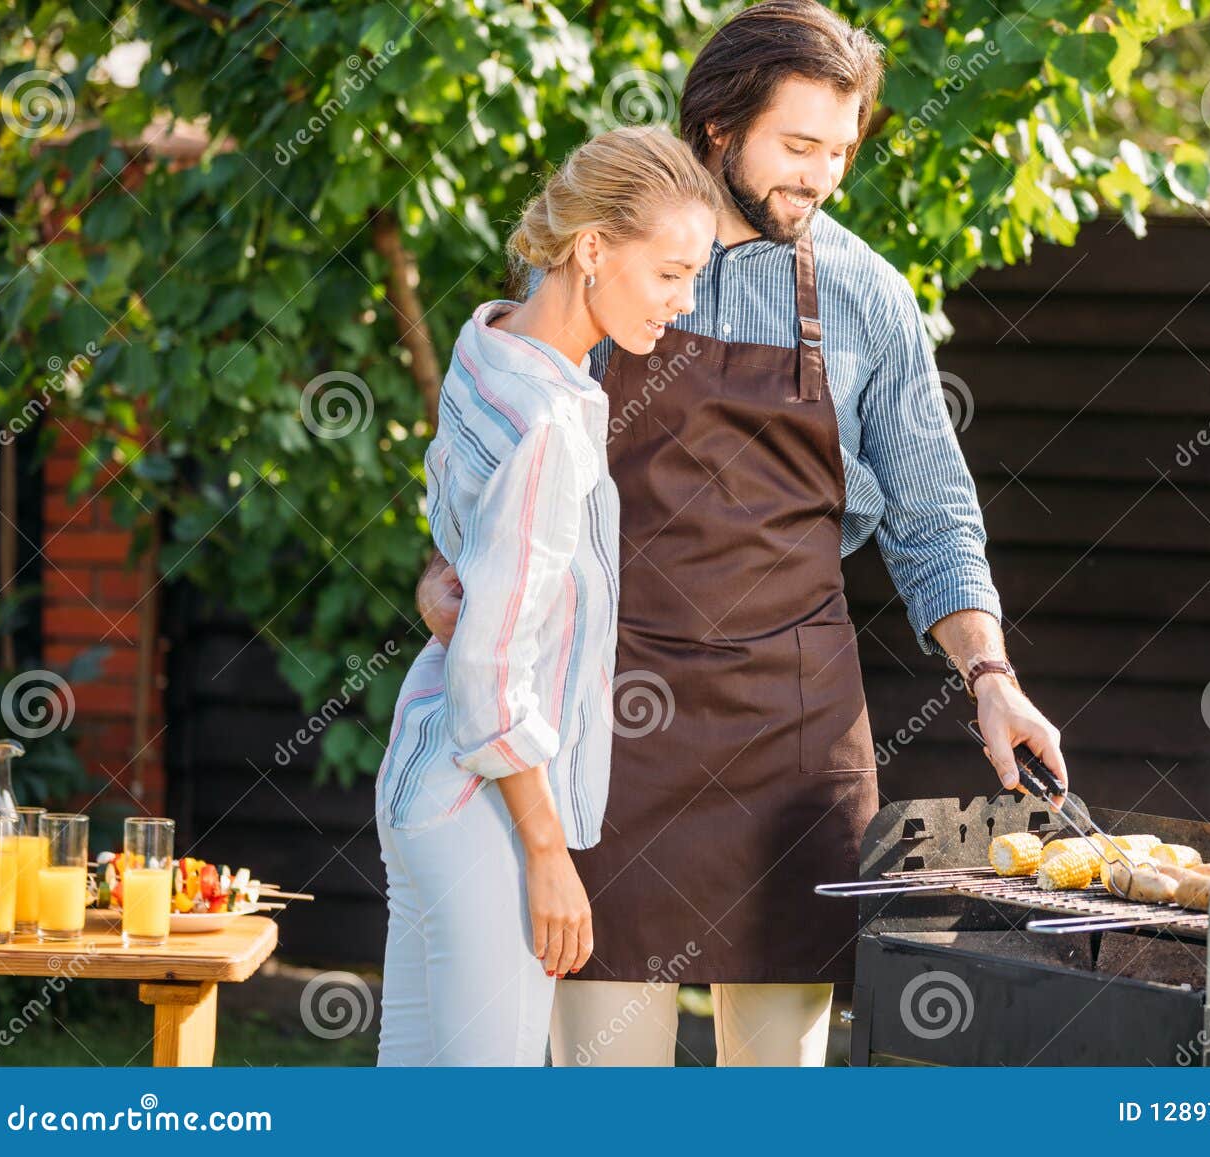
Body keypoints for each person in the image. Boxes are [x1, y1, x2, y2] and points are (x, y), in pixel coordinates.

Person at [417, 0, 1068, 1067]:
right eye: (797, 146)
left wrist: (990, 675)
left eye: (841, 150)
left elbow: (933, 513)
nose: (822, 176)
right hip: (611, 720)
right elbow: (496, 460)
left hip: (790, 729)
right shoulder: (605, 267)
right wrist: (448, 574)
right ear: (718, 127)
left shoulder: (866, 297)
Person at [375, 126, 719, 1065]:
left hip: (420, 780)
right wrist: (545, 851)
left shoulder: (488, 346)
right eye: (670, 274)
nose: (683, 304)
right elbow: (492, 670)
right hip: (486, 811)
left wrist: (445, 587)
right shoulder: (551, 424)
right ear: (593, 248)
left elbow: (468, 556)